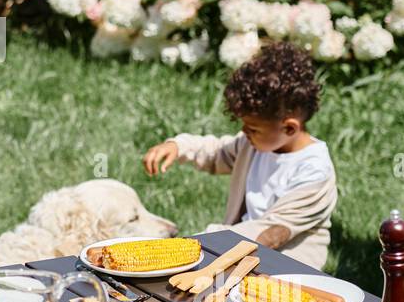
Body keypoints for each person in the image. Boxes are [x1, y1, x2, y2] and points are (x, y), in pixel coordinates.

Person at [141, 41, 338, 270]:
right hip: (240, 251)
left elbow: (272, 233)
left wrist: (207, 240)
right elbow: (216, 152)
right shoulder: (254, 144)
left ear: (289, 128)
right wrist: (179, 147)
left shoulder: (314, 173)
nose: (244, 133)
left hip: (284, 269)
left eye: (253, 128)